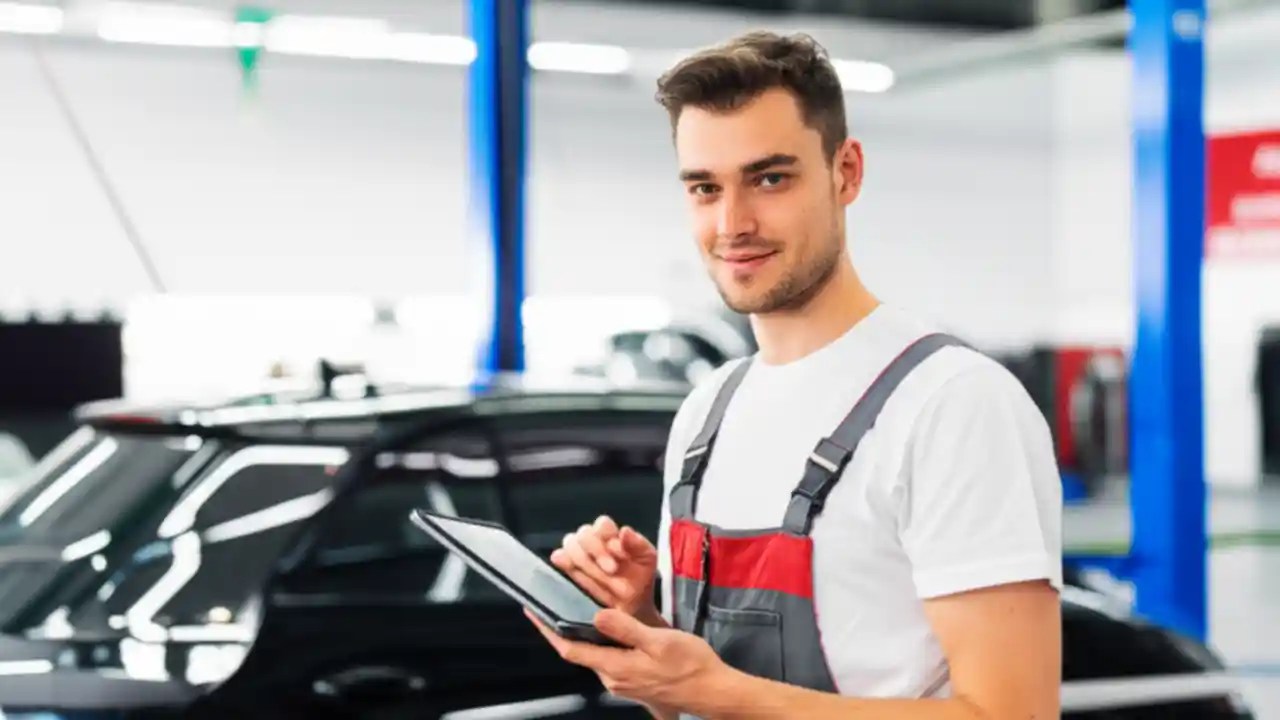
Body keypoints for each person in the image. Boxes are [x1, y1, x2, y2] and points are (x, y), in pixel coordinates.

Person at [528, 30, 1063, 720]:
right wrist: (644, 630)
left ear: (846, 172)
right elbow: (692, 707)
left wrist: (714, 689)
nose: (732, 223)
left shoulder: (952, 404)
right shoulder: (706, 414)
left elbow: (1013, 715)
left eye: (770, 178)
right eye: (704, 187)